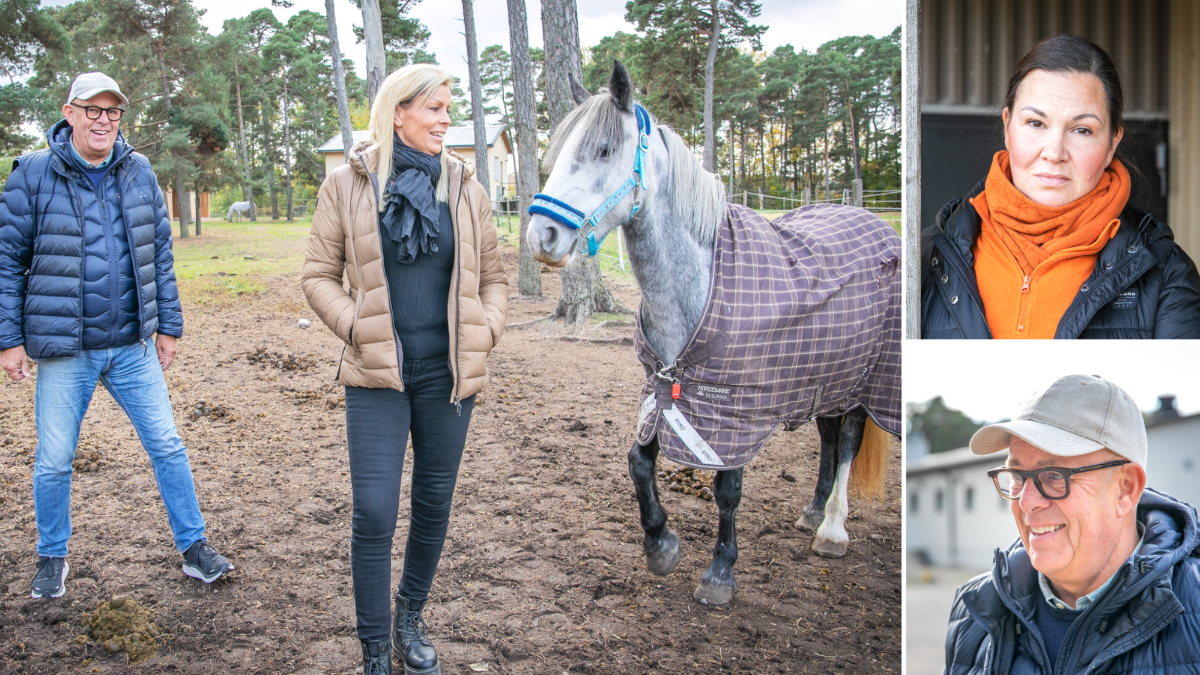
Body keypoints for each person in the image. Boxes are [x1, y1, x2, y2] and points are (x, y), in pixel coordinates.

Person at [302, 64, 508, 675]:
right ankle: (373, 651)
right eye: (435, 109)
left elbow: (495, 280)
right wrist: (359, 329)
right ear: (398, 113)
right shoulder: (347, 182)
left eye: (449, 108)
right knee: (372, 509)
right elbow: (317, 276)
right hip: (377, 375)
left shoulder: (465, 188)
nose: (447, 119)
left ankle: (409, 616)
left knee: (434, 502)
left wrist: (486, 331)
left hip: (448, 378)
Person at [0, 72, 232, 599]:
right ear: (70, 112)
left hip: (132, 346)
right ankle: (51, 557)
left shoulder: (138, 170)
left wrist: (168, 325)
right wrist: (8, 340)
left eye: (113, 112)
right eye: (93, 109)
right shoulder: (33, 174)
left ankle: (194, 547)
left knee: (168, 445)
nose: (103, 120)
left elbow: (159, 253)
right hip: (65, 350)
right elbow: (8, 263)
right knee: (54, 460)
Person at [921, 34, 1200, 338]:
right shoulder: (929, 257)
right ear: (1007, 126)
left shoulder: (1166, 271)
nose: (1054, 153)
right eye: (1035, 123)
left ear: (1111, 143)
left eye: (1082, 130)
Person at [943, 374, 1200, 674]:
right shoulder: (973, 609)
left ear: (1125, 489)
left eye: (1053, 476)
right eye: (1016, 476)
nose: (1026, 503)